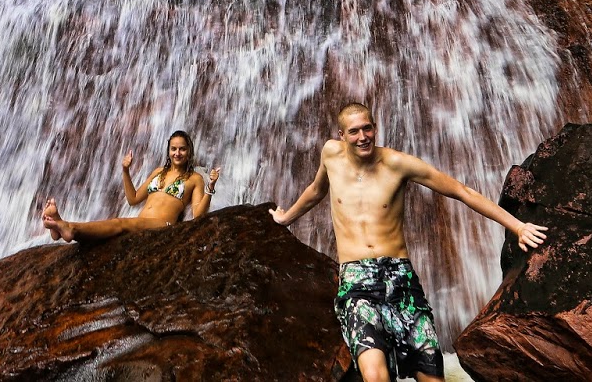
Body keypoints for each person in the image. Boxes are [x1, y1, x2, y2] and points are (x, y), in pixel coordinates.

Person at [271, 102, 548, 382]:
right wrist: (286, 218)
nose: (363, 136)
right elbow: (316, 190)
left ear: (375, 127)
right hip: (356, 282)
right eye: (354, 131)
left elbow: (461, 191)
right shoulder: (330, 154)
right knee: (374, 375)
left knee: (431, 376)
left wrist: (517, 226)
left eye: (368, 128)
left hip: (400, 279)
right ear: (341, 135)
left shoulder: (398, 164)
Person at [42, 129, 220, 243]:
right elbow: (133, 199)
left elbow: (198, 215)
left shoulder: (194, 178)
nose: (177, 153)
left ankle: (71, 228)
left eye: (182, 149)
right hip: (143, 222)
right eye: (173, 149)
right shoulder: (158, 172)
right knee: (116, 230)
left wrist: (210, 187)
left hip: (163, 225)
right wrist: (126, 171)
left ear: (189, 152)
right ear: (168, 151)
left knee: (120, 223)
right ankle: (60, 226)